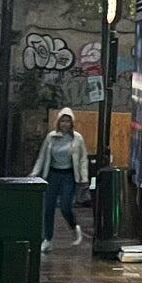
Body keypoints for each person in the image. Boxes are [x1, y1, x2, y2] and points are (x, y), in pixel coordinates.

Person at [32, 107, 89, 251]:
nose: (65, 124)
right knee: (48, 208)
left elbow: (83, 159)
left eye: (68, 121)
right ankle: (47, 239)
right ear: (58, 122)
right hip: (52, 174)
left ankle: (74, 225)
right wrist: (34, 173)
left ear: (72, 123)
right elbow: (42, 156)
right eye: (62, 121)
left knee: (65, 206)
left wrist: (84, 178)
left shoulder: (77, 138)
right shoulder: (51, 137)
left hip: (68, 175)